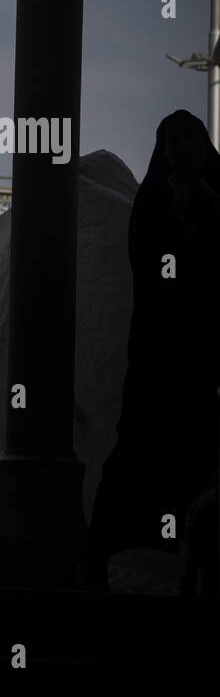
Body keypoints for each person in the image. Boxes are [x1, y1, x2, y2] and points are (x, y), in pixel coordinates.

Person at [86, 110, 220, 585]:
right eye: (175, 140)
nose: (185, 146)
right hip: (163, 344)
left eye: (192, 137)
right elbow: (157, 267)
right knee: (147, 440)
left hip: (208, 347)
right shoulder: (152, 201)